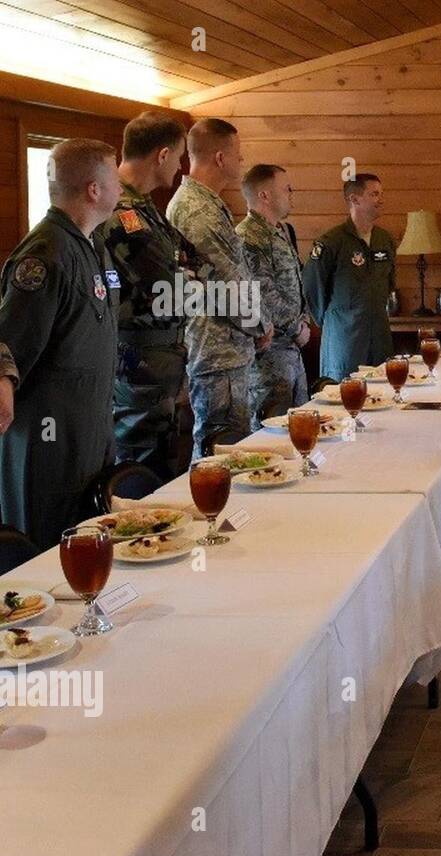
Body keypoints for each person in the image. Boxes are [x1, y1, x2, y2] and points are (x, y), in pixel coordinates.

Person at [0, 139, 121, 548]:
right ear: (94, 189)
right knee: (49, 546)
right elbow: (10, 339)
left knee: (88, 542)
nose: (121, 186)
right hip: (50, 437)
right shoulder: (46, 251)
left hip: (89, 426)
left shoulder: (90, 245)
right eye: (114, 176)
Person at [100, 111, 194, 477]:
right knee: (142, 472)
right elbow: (173, 285)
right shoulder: (124, 212)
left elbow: (191, 260)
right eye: (180, 156)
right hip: (140, 360)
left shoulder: (145, 207)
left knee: (163, 466)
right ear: (163, 155)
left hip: (161, 359)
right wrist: (185, 279)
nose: (181, 166)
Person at [167, 117, 268, 457]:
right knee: (219, 452)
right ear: (220, 158)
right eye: (238, 154)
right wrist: (260, 326)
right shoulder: (197, 209)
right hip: (216, 350)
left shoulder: (207, 202)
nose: (242, 162)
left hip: (226, 347)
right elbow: (228, 280)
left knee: (231, 447)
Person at [238, 164, 312, 426]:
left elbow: (292, 286)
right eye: (286, 188)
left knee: (300, 427)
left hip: (290, 349)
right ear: (265, 196)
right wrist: (296, 328)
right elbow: (263, 293)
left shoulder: (280, 232)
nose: (292, 193)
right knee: (271, 429)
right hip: (269, 354)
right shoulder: (250, 236)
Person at [304, 173, 397, 382]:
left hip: (379, 337)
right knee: (341, 396)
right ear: (354, 199)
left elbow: (389, 283)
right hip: (345, 339)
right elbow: (313, 287)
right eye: (374, 194)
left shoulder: (385, 240)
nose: (381, 200)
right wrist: (334, 319)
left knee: (384, 393)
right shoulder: (331, 242)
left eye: (381, 194)